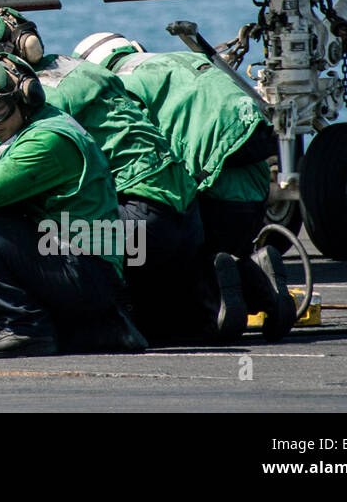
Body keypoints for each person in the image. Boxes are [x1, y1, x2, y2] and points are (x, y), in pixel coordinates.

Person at [0, 10, 225, 342]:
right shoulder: (79, 68)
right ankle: (236, 283)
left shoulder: (42, 100)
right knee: (172, 330)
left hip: (133, 225)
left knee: (26, 224)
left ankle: (47, 325)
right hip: (185, 217)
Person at [76, 33, 295, 340]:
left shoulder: (119, 87)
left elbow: (145, 158)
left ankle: (213, 310)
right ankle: (260, 278)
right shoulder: (181, 59)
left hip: (211, 178)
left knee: (177, 254)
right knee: (219, 248)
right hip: (253, 182)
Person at [0, 54, 147, 358]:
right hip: (85, 265)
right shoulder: (41, 126)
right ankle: (99, 329)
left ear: (27, 96)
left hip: (84, 268)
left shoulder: (47, 141)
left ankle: (26, 328)